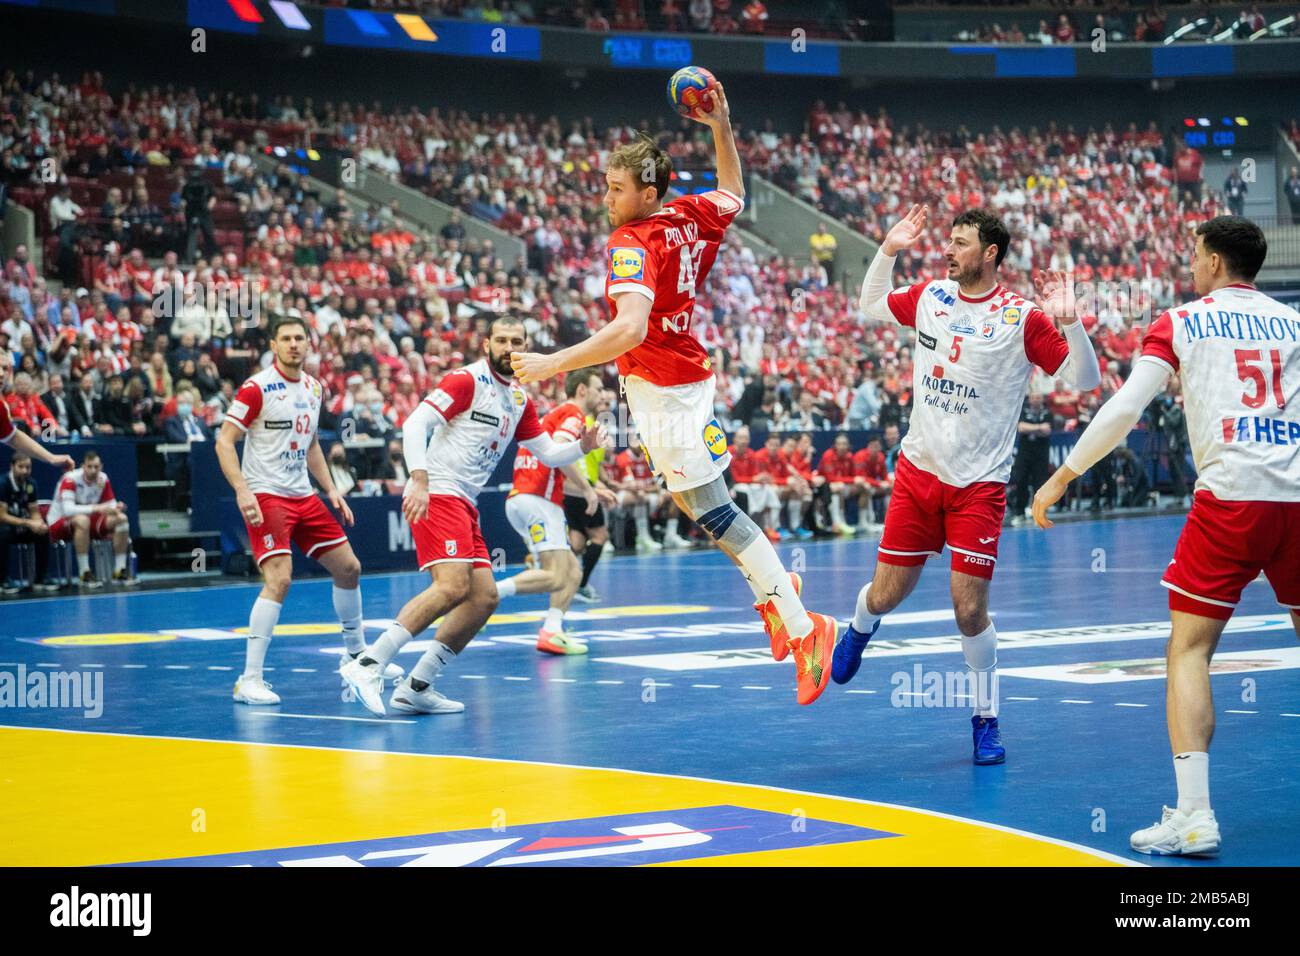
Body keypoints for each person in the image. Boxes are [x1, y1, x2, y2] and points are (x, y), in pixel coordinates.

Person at [511, 83, 837, 705]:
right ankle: (775, 591)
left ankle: (803, 626)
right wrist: (721, 124)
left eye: (616, 189)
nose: (606, 198)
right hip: (678, 377)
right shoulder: (687, 215)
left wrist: (555, 361)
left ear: (647, 193)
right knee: (697, 505)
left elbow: (630, 328)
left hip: (664, 386)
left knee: (713, 511)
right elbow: (734, 191)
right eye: (606, 186)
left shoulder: (631, 242)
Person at [1033, 216, 1298, 857]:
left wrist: (1063, 476)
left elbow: (1126, 408)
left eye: (1195, 254)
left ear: (1214, 261)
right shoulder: (1294, 323)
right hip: (1296, 495)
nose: (1190, 264)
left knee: (1188, 651)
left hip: (1231, 498)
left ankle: (1196, 817)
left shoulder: (1181, 321)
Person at [839, 204, 1101, 763]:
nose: (948, 250)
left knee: (968, 610)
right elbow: (869, 304)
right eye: (949, 241)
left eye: (960, 243)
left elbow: (1086, 380)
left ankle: (985, 720)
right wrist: (888, 249)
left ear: (990, 253)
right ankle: (859, 629)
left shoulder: (1021, 317)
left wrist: (1071, 322)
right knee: (885, 595)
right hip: (918, 473)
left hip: (979, 485)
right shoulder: (931, 296)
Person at [340, 316, 600, 717]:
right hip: (439, 492)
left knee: (484, 597)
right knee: (451, 586)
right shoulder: (467, 380)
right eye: (501, 340)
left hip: (465, 502)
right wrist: (419, 479)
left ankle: (417, 686)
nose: (509, 348)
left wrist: (582, 446)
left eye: (516, 341)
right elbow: (415, 423)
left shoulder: (519, 399)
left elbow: (549, 454)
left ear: (526, 347)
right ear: (486, 345)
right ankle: (368, 665)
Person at [216, 315, 389, 706]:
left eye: (299, 338)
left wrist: (331, 490)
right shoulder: (256, 388)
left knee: (349, 568)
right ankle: (249, 679)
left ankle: (356, 655)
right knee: (280, 579)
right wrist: (242, 490)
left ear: (308, 345)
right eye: (286, 338)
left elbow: (311, 445)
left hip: (303, 494)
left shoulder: (314, 387)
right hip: (266, 494)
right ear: (274, 346)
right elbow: (224, 442)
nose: (294, 344)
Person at [496, 366, 616, 654]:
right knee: (555, 575)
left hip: (524, 498)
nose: (603, 395)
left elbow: (555, 462)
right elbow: (559, 453)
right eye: (598, 389)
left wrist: (591, 489)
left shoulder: (554, 414)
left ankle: (551, 631)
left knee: (572, 572)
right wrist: (587, 489)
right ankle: (483, 595)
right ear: (582, 390)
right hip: (539, 501)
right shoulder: (574, 414)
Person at [45, 449, 134, 588]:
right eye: (89, 466)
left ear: (101, 467)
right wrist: (97, 508)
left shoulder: (102, 479)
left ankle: (119, 570)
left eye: (96, 467)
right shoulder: (70, 478)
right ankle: (84, 573)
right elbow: (68, 510)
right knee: (82, 521)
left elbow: (110, 503)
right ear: (83, 466)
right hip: (59, 523)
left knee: (121, 518)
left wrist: (117, 507)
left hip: (86, 523)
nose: (93, 470)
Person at [569, 384, 615, 603]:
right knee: (599, 536)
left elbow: (596, 466)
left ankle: (551, 567)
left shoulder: (599, 430)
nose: (604, 406)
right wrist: (592, 489)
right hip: (580, 489)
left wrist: (609, 483)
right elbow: (578, 463)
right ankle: (580, 584)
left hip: (581, 488)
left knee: (577, 543)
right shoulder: (586, 425)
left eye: (607, 404)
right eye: (602, 401)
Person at [0, 453, 56, 593]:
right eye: (21, 467)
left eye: (28, 467)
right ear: (12, 466)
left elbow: (34, 511)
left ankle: (41, 578)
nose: (25, 471)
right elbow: (2, 516)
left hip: (21, 527)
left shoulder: (31, 484)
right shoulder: (3, 483)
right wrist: (29, 523)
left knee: (42, 532)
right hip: (5, 528)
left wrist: (39, 523)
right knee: (3, 532)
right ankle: (3, 580)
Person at [1008, 392, 1053, 524]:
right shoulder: (1023, 411)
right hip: (1024, 454)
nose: (1035, 400)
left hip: (1041, 454)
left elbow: (1047, 431)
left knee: (1040, 484)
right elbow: (1021, 428)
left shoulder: (1047, 413)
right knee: (1021, 481)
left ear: (1042, 399)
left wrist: (1031, 429)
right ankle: (1019, 513)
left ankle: (1039, 514)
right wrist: (1039, 427)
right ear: (1030, 399)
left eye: (1038, 397)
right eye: (1033, 397)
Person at [814, 433, 857, 536]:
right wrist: (847, 481)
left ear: (848, 445)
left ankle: (865, 522)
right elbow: (830, 478)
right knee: (836, 488)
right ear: (835, 445)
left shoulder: (849, 457)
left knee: (862, 488)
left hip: (841, 486)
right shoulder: (828, 455)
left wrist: (849, 481)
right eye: (839, 444)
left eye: (844, 444)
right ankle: (837, 523)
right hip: (824, 486)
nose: (842, 446)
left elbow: (854, 476)